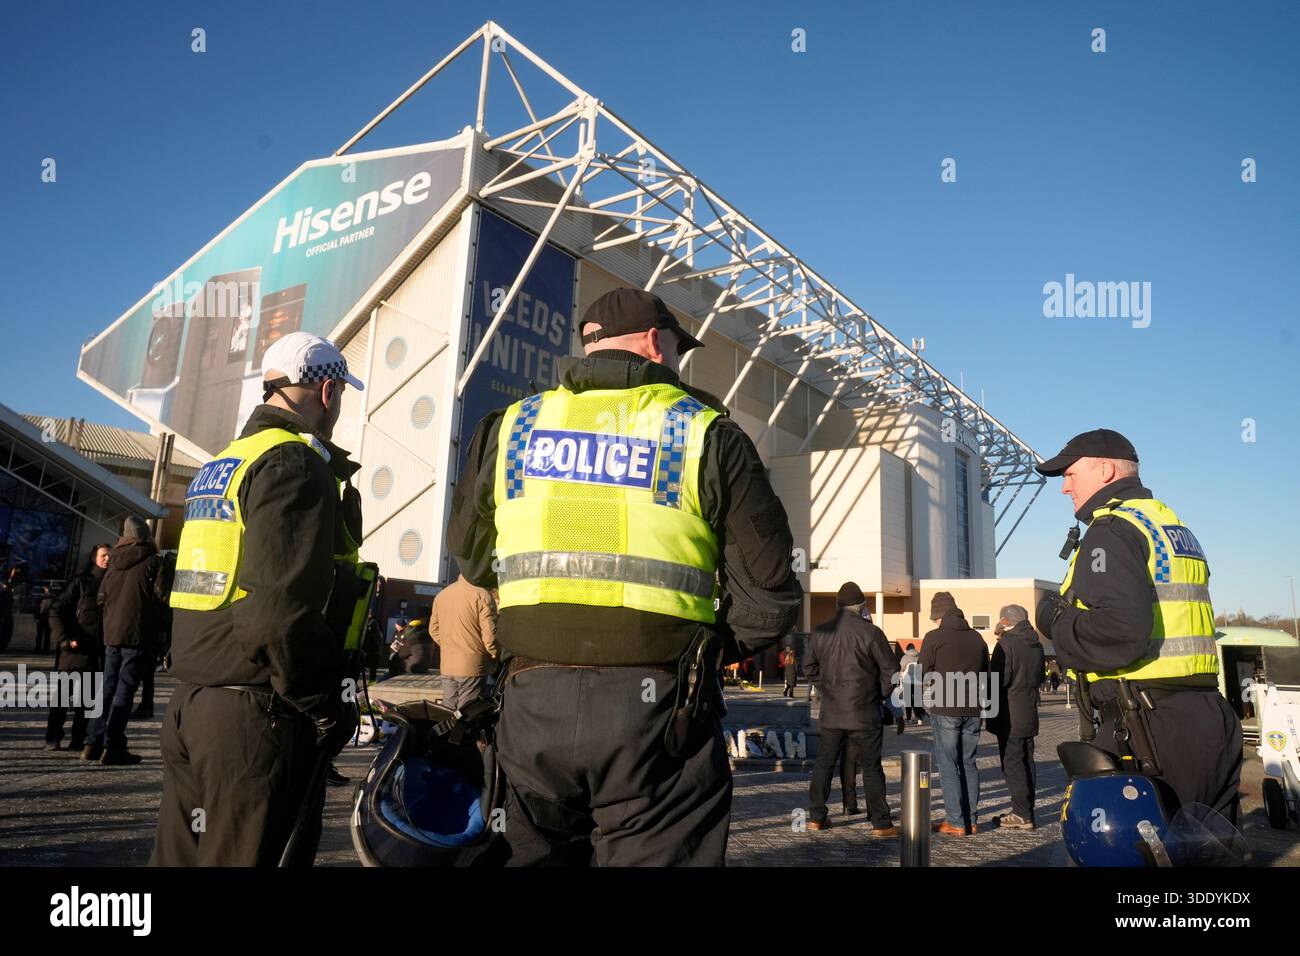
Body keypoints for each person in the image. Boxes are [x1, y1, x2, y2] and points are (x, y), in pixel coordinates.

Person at [449, 287, 802, 866]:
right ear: (653, 341)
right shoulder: (705, 433)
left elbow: (473, 557)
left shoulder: (509, 428)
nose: (677, 361)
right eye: (677, 348)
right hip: (659, 711)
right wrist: (706, 651)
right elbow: (770, 594)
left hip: (531, 702)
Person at [151, 331, 367, 866]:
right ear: (326, 392)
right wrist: (323, 704)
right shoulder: (294, 462)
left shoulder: (225, 462)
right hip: (254, 714)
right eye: (339, 394)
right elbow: (276, 610)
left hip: (192, 704)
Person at [1033, 429, 1242, 822]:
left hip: (1148, 725)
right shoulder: (1170, 525)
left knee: (1136, 848)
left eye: (1070, 474)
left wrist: (1055, 619)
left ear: (1106, 470)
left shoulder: (1112, 530)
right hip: (1207, 715)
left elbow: (1118, 632)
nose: (1064, 488)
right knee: (1206, 848)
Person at [804, 582, 900, 836]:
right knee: (871, 767)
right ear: (861, 606)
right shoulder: (871, 632)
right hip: (865, 712)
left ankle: (816, 816)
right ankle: (881, 823)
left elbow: (809, 668)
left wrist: (827, 688)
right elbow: (891, 672)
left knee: (824, 764)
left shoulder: (820, 632)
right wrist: (878, 695)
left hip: (832, 712)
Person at [82, 517, 164, 765]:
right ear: (147, 537)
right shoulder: (153, 562)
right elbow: (162, 598)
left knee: (106, 688)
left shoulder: (114, 563)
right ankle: (113, 745)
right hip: (137, 636)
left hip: (112, 635)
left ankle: (91, 743)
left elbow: (100, 598)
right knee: (124, 691)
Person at [920, 591, 989, 836]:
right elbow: (985, 673)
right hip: (973, 709)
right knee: (968, 762)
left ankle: (956, 822)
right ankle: (971, 820)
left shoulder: (934, 637)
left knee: (948, 765)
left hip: (945, 707)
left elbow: (922, 672)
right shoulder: (977, 638)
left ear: (939, 615)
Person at [44, 543, 110, 751]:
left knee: (87, 701)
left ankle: (78, 739)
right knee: (62, 698)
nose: (107, 559)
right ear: (94, 557)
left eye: (110, 556)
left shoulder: (112, 584)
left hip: (96, 652)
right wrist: (64, 639)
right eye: (104, 555)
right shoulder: (79, 582)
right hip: (73, 650)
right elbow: (56, 610)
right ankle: (53, 738)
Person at [987, 604, 1044, 829]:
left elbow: (998, 681)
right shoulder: (1035, 644)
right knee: (1027, 761)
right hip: (1028, 709)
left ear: (1007, 622)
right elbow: (1039, 676)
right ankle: (1026, 809)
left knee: (1012, 764)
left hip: (1009, 714)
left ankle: (1021, 814)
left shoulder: (1006, 645)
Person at [429, 576, 499, 711]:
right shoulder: (482, 595)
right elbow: (489, 637)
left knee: (448, 710)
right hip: (472, 665)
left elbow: (433, 630)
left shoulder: (442, 595)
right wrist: (495, 654)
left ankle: (448, 732)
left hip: (447, 664)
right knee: (468, 713)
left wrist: (450, 646)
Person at [392, 608, 435, 674]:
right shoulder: (427, 636)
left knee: (396, 662)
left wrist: (395, 653)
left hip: (414, 667)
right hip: (425, 667)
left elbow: (401, 654)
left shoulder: (412, 638)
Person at [900, 642, 923, 724]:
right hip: (918, 681)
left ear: (907, 649)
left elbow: (901, 668)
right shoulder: (920, 656)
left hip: (907, 681)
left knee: (908, 701)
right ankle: (919, 718)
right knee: (917, 701)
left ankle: (909, 718)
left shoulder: (905, 657)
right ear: (914, 648)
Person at [33, 584, 53, 655]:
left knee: (41, 636)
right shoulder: (51, 599)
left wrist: (36, 617)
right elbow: (36, 609)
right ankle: (43, 650)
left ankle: (40, 650)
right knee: (44, 636)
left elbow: (36, 609)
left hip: (44, 619)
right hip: (46, 619)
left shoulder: (42, 599)